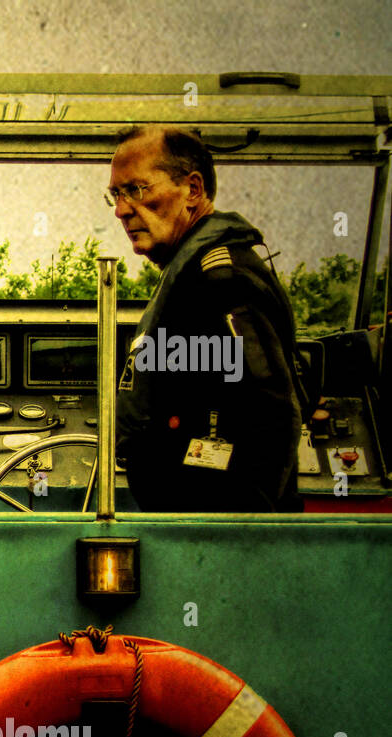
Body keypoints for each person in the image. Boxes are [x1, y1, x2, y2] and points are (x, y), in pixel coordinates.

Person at [109, 125, 304, 511]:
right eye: (116, 194)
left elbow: (274, 416)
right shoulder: (190, 278)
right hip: (184, 528)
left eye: (136, 189)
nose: (121, 209)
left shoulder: (222, 280)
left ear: (193, 191)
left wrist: (234, 543)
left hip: (214, 539)